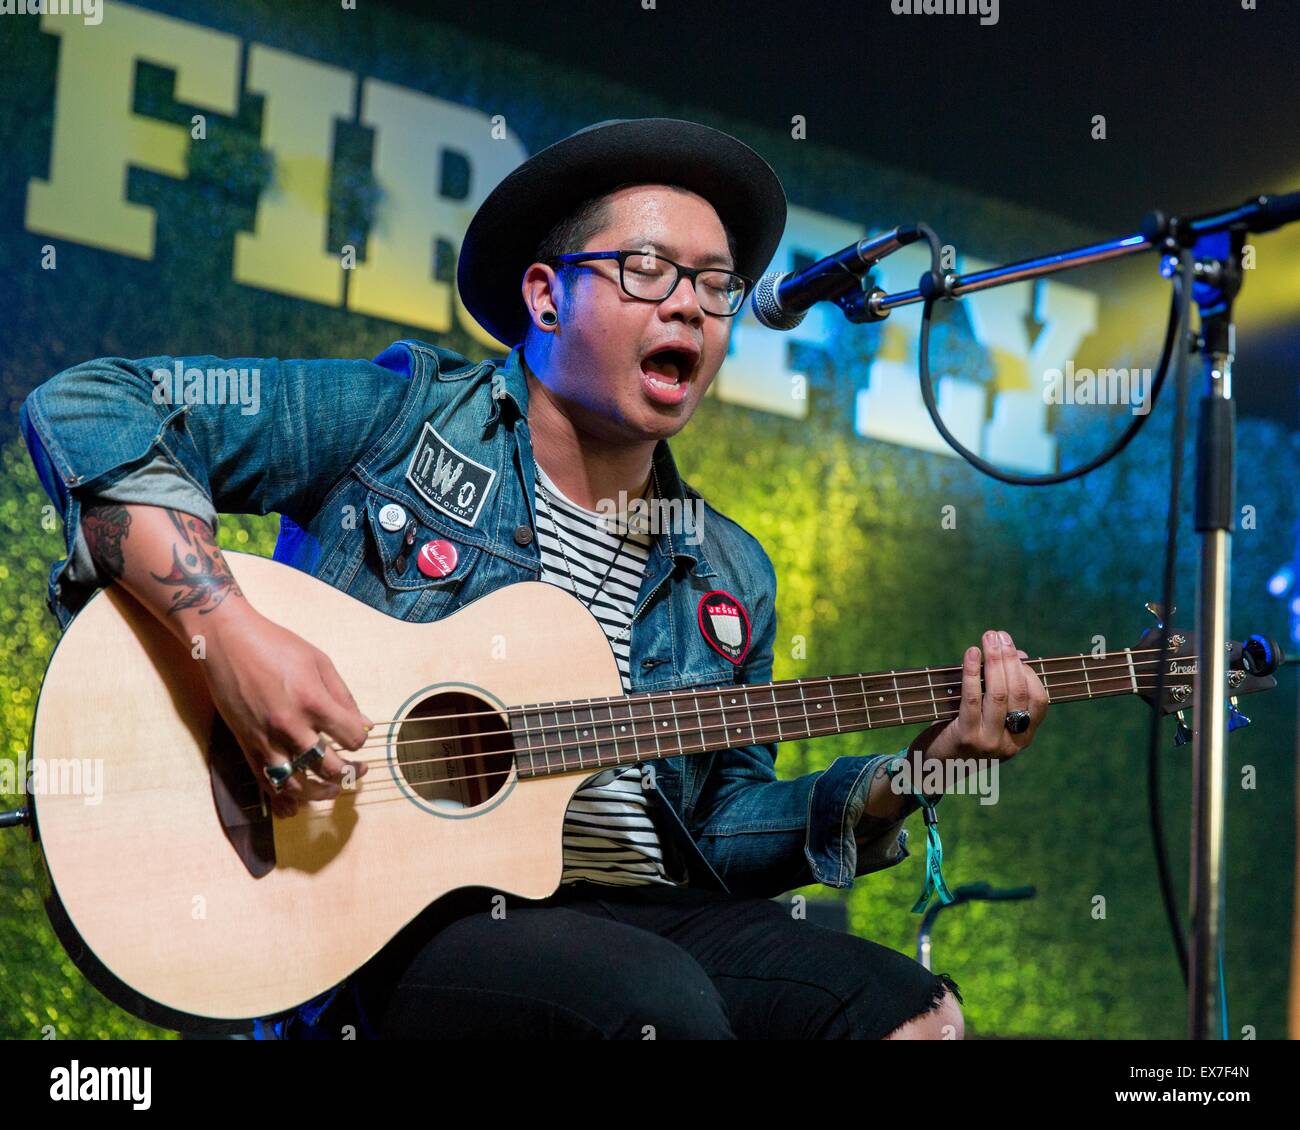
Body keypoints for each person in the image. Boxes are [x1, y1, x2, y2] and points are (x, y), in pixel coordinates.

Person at [20, 117, 1048, 1039]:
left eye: (715, 283)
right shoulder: (398, 418)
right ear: (545, 295)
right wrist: (232, 640)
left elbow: (723, 831)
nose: (689, 305)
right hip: (389, 912)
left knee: (908, 1011)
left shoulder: (726, 567)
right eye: (649, 269)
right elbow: (89, 404)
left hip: (645, 912)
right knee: (653, 1004)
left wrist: (917, 773)